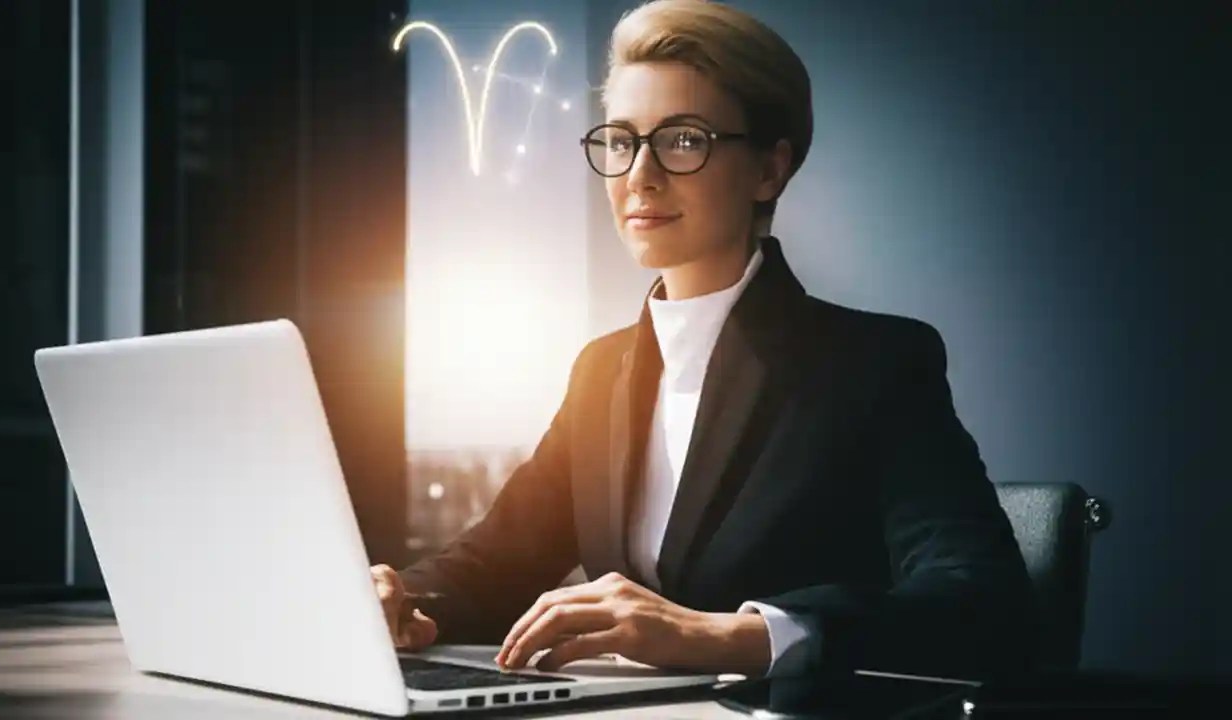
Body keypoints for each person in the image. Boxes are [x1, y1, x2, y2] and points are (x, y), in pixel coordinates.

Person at [372, 0, 1037, 680]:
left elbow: (981, 600)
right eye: (622, 140)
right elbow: (497, 560)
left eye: (684, 139)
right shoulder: (601, 371)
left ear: (768, 171)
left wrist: (734, 637)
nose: (639, 174)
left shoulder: (874, 365)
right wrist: (403, 597)